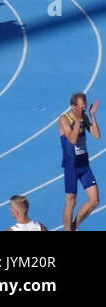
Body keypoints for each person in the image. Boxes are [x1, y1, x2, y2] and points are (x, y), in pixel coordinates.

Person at [60, 93, 100, 231]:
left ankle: (74, 226)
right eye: (82, 107)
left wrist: (92, 116)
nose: (84, 109)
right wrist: (77, 121)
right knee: (71, 201)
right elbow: (72, 140)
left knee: (95, 200)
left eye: (85, 106)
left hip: (84, 165)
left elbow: (96, 135)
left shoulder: (84, 117)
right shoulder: (64, 119)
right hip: (71, 165)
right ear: (74, 106)